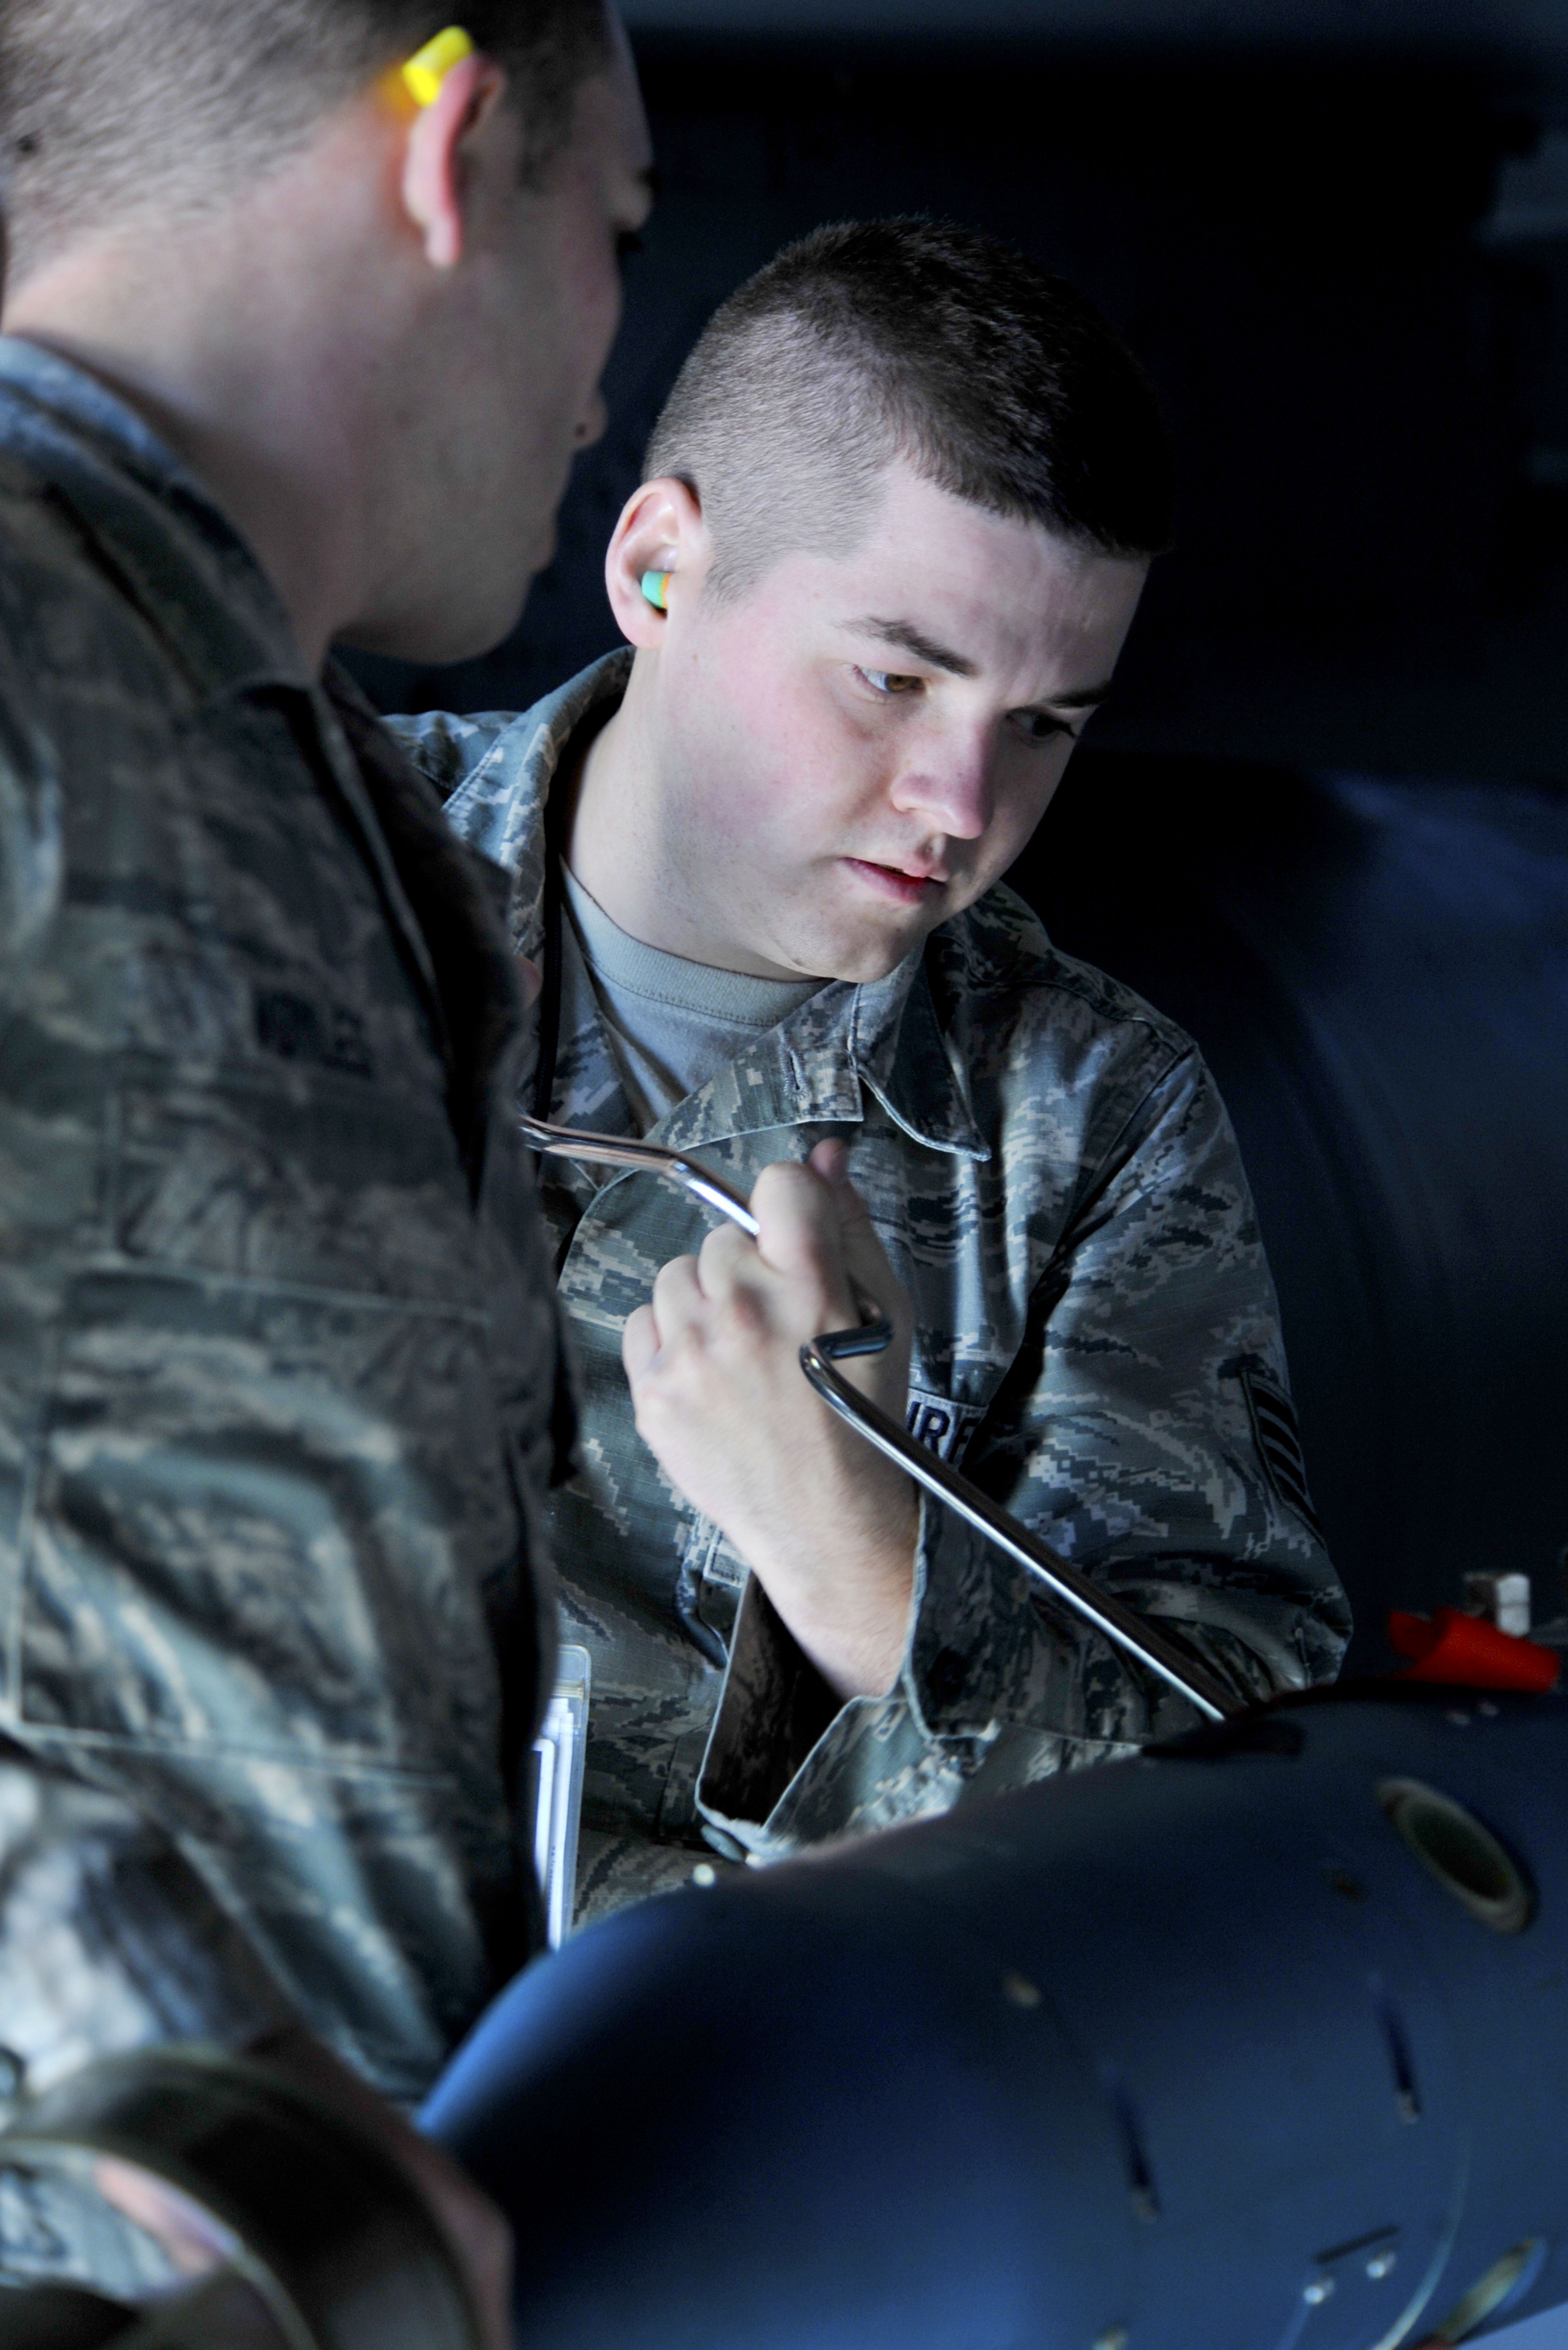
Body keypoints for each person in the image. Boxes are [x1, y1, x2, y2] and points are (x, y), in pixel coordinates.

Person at [392, 218, 1352, 1931]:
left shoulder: (1085, 1126)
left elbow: (1243, 1830)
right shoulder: (268, 886)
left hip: (736, 2124)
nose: (964, 806)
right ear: (663, 570)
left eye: (1045, 724)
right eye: (895, 677)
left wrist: (849, 1547)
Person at [0, 0, 652, 2330]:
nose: (605, 374)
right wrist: (159, 2041)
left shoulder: (334, 793)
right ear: (449, 149)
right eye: (616, 232)